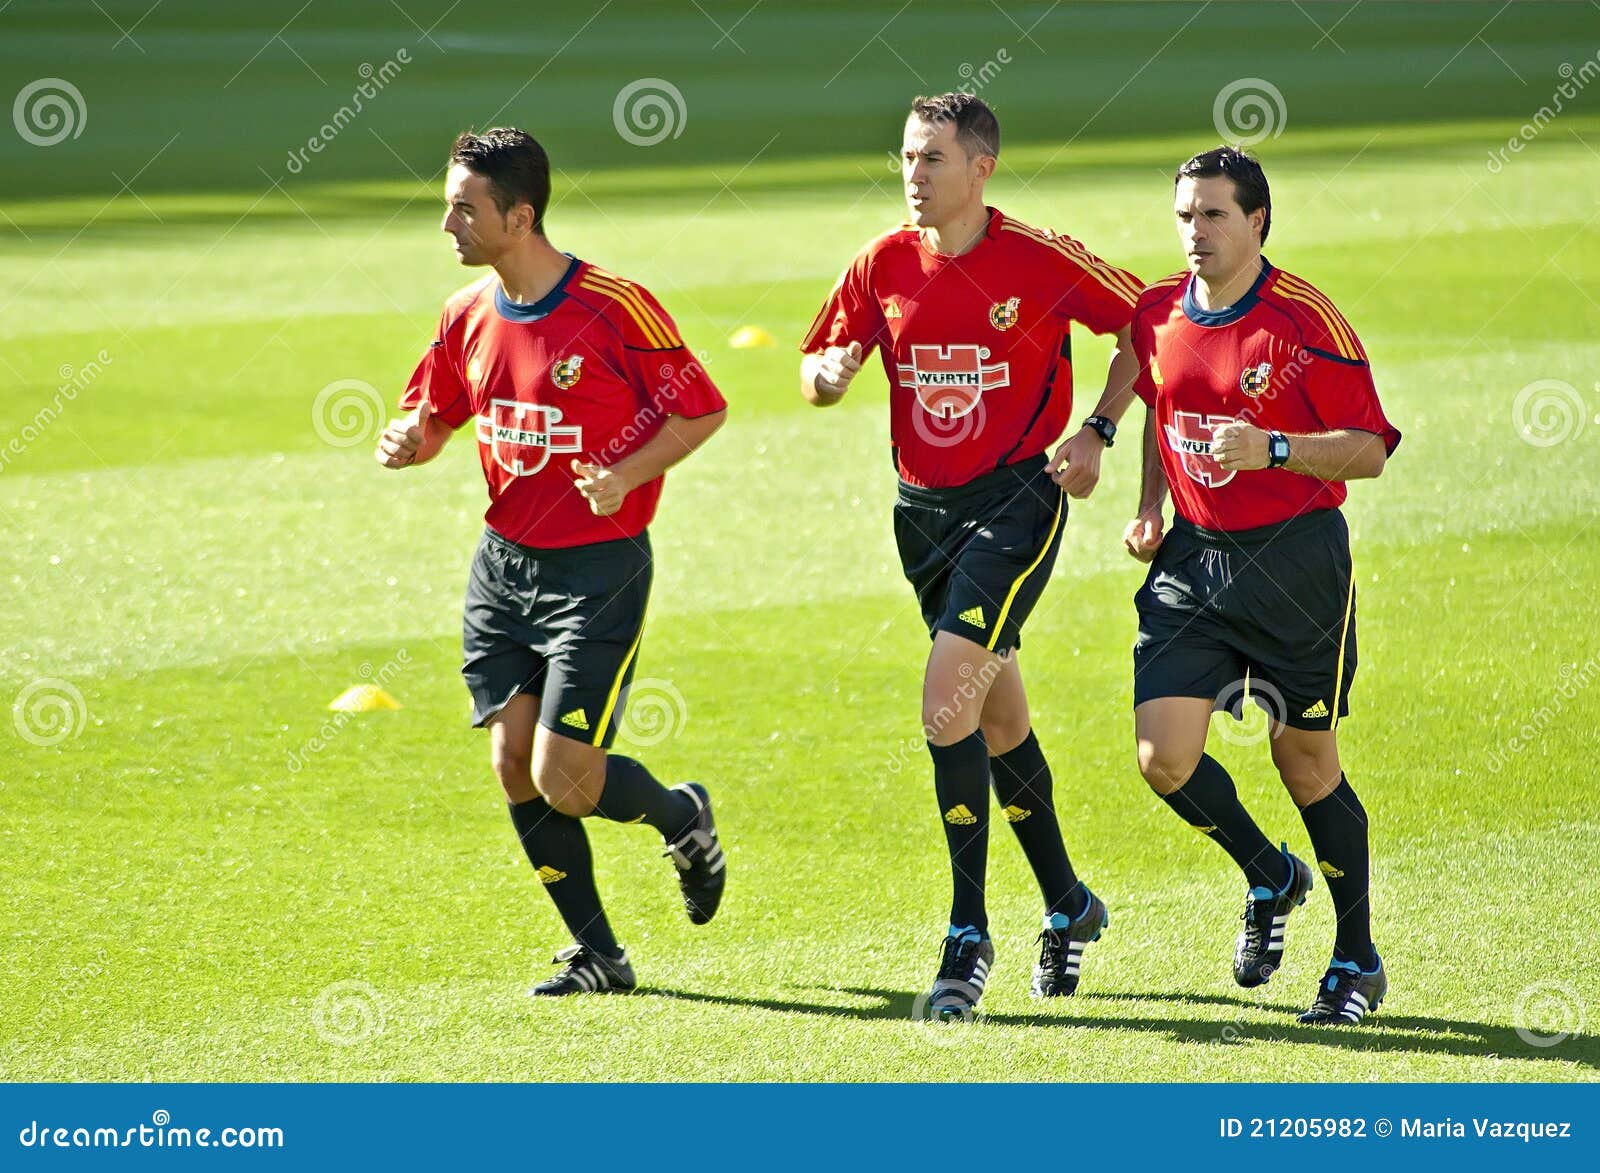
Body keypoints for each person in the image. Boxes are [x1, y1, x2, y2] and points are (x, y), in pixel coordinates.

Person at [799, 92, 1145, 1018]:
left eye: (933, 159)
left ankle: (967, 931)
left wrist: (1099, 429)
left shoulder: (1040, 258)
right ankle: (1069, 903)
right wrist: (825, 376)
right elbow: (817, 363)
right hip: (921, 516)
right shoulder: (881, 262)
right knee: (996, 720)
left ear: (981, 168)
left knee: (944, 704)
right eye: (907, 157)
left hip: (1015, 503)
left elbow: (1149, 327)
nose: (914, 175)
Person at [376, 128, 728, 996]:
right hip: (503, 570)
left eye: (465, 209)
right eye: (447, 206)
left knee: (563, 778)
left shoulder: (616, 306)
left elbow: (700, 410)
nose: (448, 225)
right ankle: (599, 953)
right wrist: (410, 441)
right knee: (512, 764)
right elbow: (437, 416)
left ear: (520, 216)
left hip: (597, 572)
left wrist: (626, 475)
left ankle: (682, 815)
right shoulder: (465, 313)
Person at [1124, 146, 1401, 1025]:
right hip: (1192, 564)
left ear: (1256, 221)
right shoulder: (1158, 310)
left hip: (1294, 566)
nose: (1194, 231)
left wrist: (1273, 447)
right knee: (1163, 758)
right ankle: (1270, 874)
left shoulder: (1303, 319)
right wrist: (1150, 506)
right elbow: (1160, 405)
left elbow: (1370, 448)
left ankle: (1356, 959)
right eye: (1184, 215)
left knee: (1304, 763)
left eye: (1213, 214)